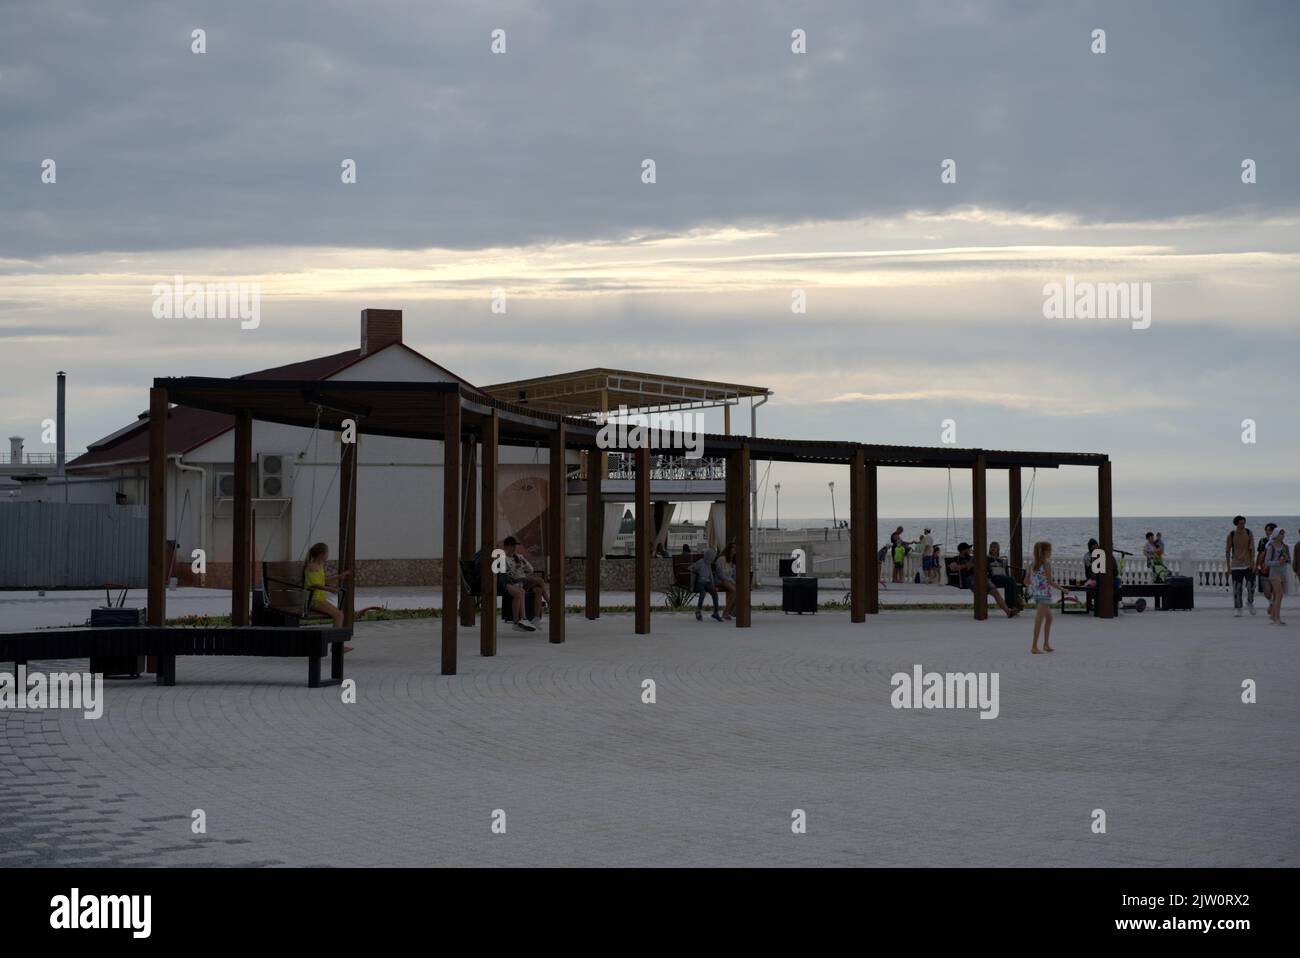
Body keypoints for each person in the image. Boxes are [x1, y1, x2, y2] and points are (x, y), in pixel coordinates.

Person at [303, 542, 353, 650]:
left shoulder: (318, 566)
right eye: (327, 553)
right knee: (339, 615)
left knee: (339, 615)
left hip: (319, 599)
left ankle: (337, 645)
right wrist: (329, 589)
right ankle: (337, 646)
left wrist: (339, 576)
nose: (328, 555)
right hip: (314, 600)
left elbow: (322, 581)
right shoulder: (312, 567)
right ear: (321, 554)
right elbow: (314, 585)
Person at [948, 542, 1017, 617]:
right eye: (968, 549)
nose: (970, 550)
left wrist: (975, 557)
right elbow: (953, 567)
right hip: (969, 578)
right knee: (980, 591)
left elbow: (981, 563)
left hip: (981, 576)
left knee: (995, 592)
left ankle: (1008, 611)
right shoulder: (957, 559)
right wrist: (966, 565)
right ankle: (981, 612)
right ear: (964, 550)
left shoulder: (971, 558)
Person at [1027, 541, 1070, 654]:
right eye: (1050, 550)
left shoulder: (1032, 564)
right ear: (1045, 552)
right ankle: (1034, 647)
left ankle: (1046, 644)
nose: (1051, 552)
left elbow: (1026, 581)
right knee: (1039, 621)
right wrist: (1063, 589)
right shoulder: (1046, 564)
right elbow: (1050, 582)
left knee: (1049, 618)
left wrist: (1035, 582)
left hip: (1037, 594)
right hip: (1044, 595)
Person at [500, 536, 538, 632]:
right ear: (506, 546)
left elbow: (531, 570)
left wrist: (524, 563)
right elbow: (504, 574)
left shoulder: (517, 557)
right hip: (508, 582)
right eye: (512, 545)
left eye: (515, 545)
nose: (514, 548)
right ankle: (520, 620)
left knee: (522, 591)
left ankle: (521, 620)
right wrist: (515, 569)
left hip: (518, 581)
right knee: (520, 591)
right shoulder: (503, 558)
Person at [1225, 516, 1256, 617]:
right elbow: (1227, 551)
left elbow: (1252, 548)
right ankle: (1238, 608)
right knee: (1237, 588)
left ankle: (1250, 602)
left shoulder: (1248, 532)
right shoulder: (1231, 534)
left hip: (1248, 564)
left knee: (1251, 585)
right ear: (1236, 524)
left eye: (1244, 523)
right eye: (1241, 523)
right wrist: (1228, 567)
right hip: (1236, 565)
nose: (1243, 525)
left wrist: (1252, 562)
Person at [1264, 529, 1290, 625]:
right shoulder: (1271, 547)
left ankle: (1273, 616)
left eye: (1283, 533)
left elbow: (1289, 560)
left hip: (1283, 574)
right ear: (1276, 535)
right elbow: (1267, 562)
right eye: (1281, 534)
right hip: (1274, 574)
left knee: (1278, 596)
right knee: (1279, 595)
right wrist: (1278, 562)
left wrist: (1286, 559)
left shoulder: (1285, 547)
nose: (1283, 535)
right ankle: (1277, 618)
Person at [690, 548, 722, 621]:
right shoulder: (700, 562)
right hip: (700, 582)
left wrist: (712, 584)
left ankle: (716, 612)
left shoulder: (709, 564)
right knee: (703, 593)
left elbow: (710, 575)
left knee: (714, 593)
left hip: (707, 583)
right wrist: (691, 585)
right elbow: (693, 570)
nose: (712, 559)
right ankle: (698, 611)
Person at [987, 542, 1022, 608]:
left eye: (994, 547)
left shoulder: (1000, 559)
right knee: (1010, 580)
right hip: (993, 578)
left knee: (1009, 583)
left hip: (1001, 577)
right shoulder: (987, 558)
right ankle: (1017, 598)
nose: (992, 549)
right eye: (991, 547)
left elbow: (1004, 571)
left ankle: (1011, 606)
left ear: (998, 549)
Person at [714, 541, 738, 620]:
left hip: (727, 580)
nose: (735, 550)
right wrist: (731, 581)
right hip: (719, 580)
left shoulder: (733, 561)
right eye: (733, 548)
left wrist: (734, 581)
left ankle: (729, 611)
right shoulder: (721, 559)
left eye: (736, 548)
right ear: (729, 549)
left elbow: (733, 575)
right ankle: (726, 612)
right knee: (734, 591)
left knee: (736, 591)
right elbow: (721, 575)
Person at [1256, 523, 1277, 601]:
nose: (1268, 532)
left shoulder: (1277, 541)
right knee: (1266, 592)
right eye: (1266, 530)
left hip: (1274, 569)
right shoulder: (1262, 541)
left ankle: (1274, 605)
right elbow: (1259, 554)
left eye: (1270, 530)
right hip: (1263, 568)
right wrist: (1256, 565)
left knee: (1275, 590)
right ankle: (1271, 602)